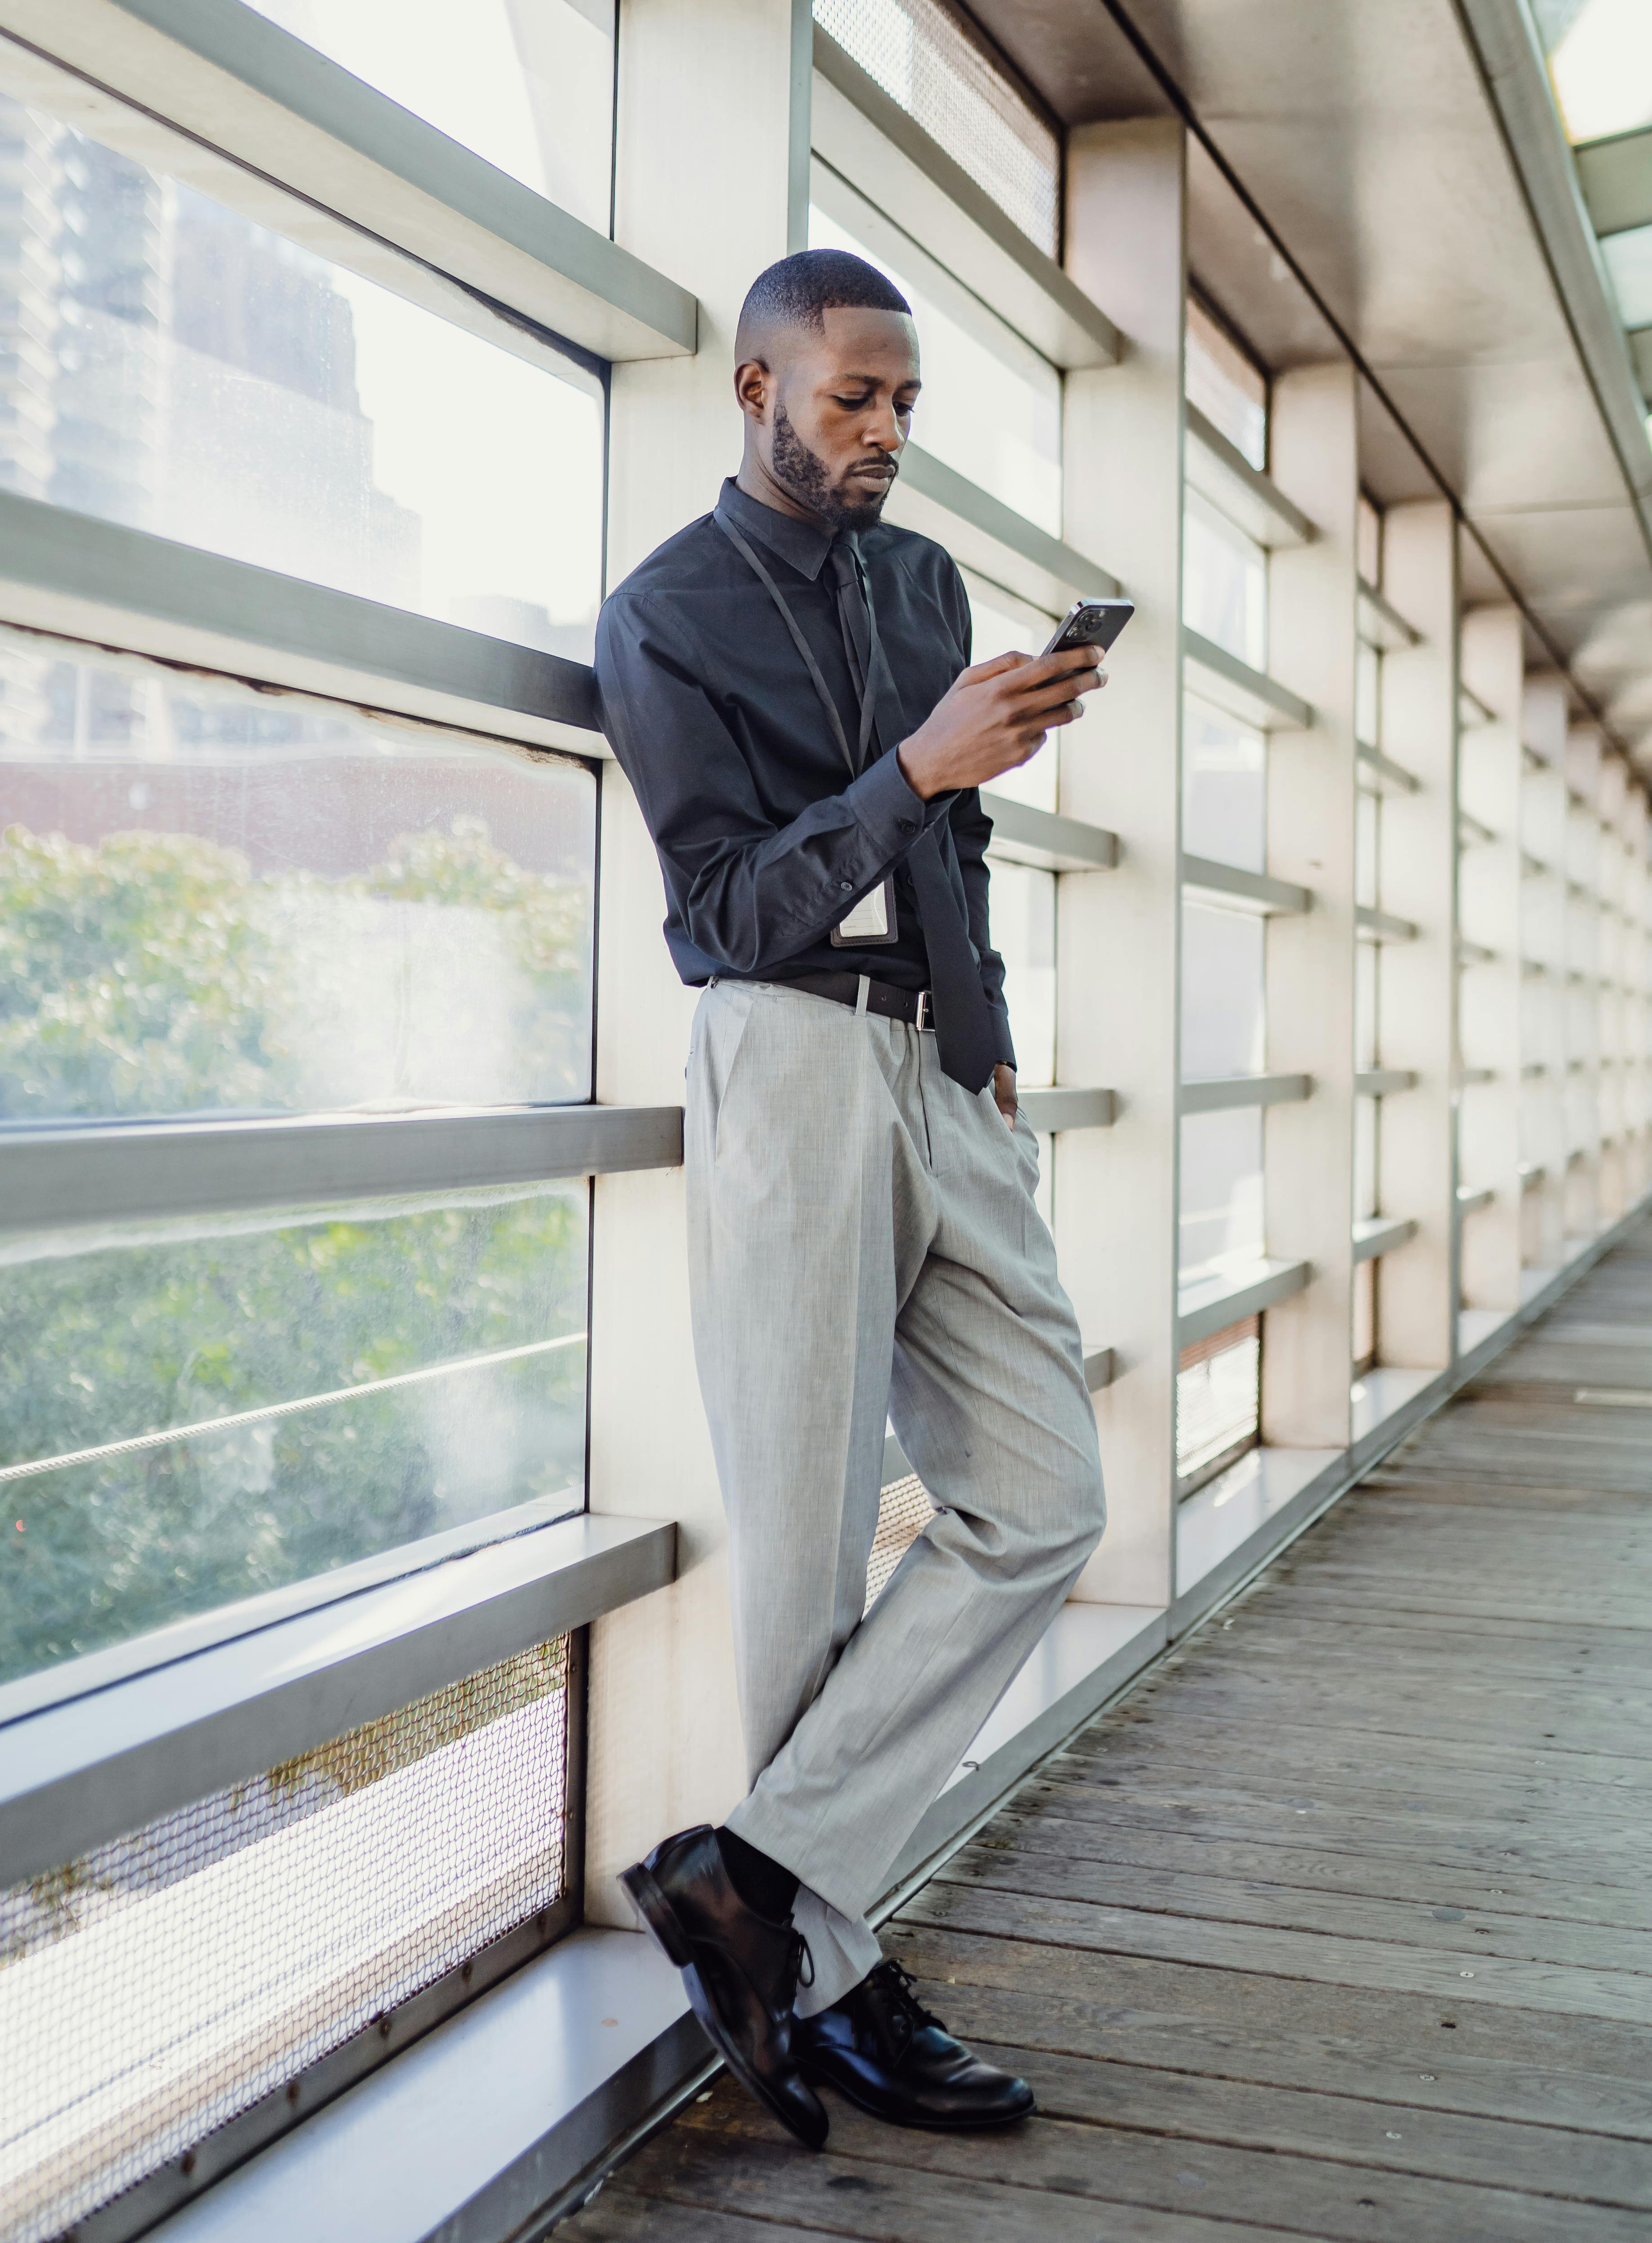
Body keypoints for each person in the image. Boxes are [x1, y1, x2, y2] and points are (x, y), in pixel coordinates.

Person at [593, 248, 1109, 2150]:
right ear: (755, 391)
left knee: (1047, 1492)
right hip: (792, 1063)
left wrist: (981, 1029)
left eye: (903, 403)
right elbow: (722, 917)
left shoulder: (920, 581)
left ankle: (752, 1886)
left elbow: (948, 839)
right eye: (852, 401)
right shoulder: (660, 617)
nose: (886, 432)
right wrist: (914, 767)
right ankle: (837, 1964)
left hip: (939, 1071)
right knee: (805, 1553)